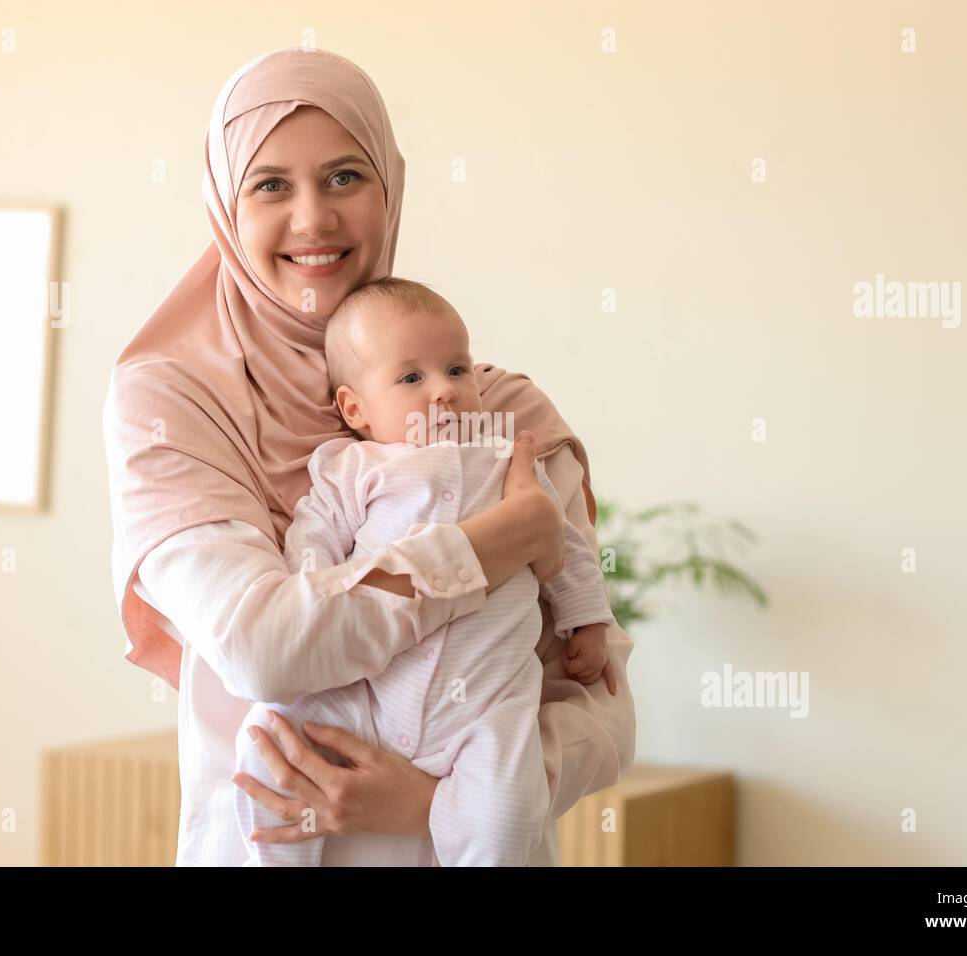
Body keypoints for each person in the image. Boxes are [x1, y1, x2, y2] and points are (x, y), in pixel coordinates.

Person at [102, 46, 636, 866]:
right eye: (270, 184)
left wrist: (432, 804)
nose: (314, 218)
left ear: (391, 186)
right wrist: (495, 543)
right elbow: (263, 649)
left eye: (347, 177)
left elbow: (602, 708)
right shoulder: (173, 405)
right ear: (225, 205)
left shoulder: (499, 414)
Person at [233, 277, 616, 866]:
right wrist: (312, 583)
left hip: (484, 701)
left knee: (510, 809)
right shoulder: (351, 467)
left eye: (458, 370)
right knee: (266, 740)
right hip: (368, 690)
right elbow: (314, 537)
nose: (444, 391)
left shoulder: (504, 459)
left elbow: (559, 543)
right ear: (354, 408)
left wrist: (585, 619)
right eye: (412, 378)